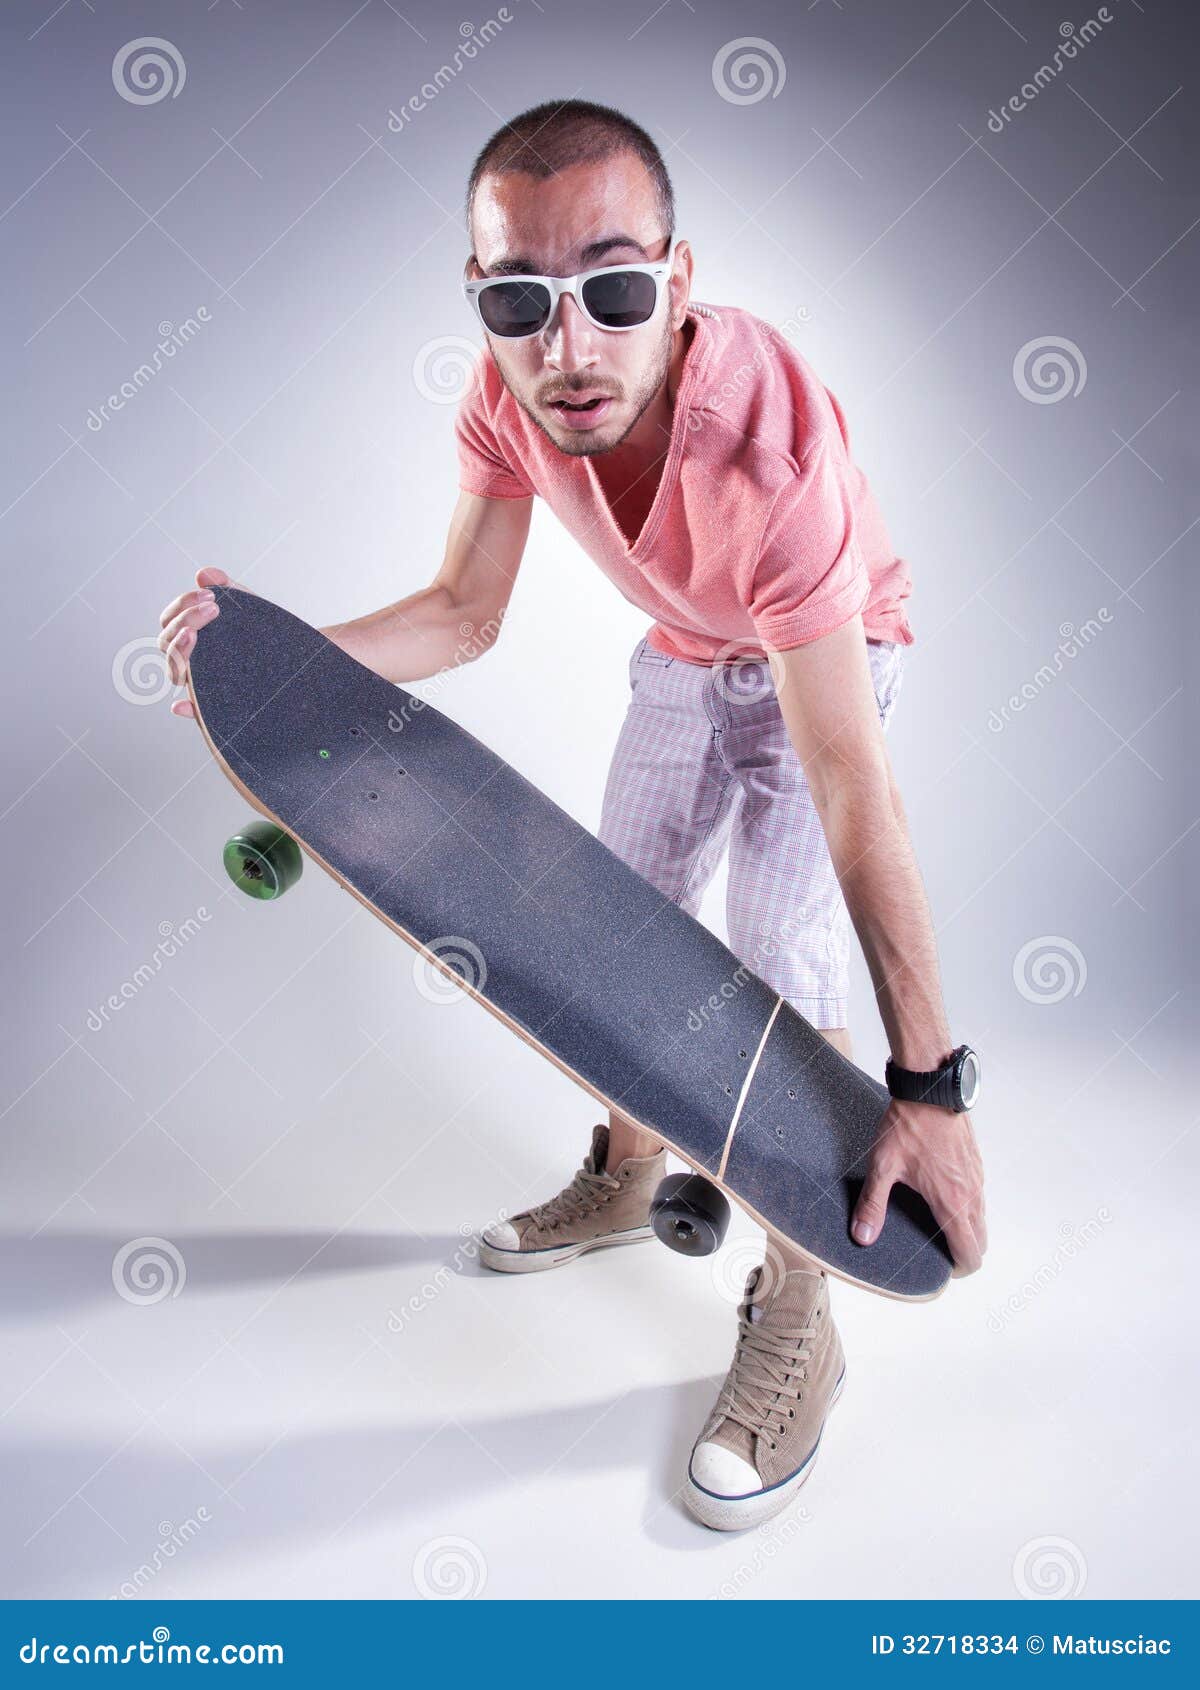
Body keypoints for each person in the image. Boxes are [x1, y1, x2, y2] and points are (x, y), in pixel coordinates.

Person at [158, 98, 986, 1533]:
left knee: (777, 961)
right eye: (516, 300)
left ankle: (800, 1310)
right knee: (617, 922)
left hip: (825, 654)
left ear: (674, 283)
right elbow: (464, 615)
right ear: (477, 301)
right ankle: (626, 1170)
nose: (566, 346)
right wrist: (271, 662)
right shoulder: (504, 395)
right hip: (683, 648)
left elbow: (851, 779)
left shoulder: (770, 453)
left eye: (610, 290)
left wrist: (931, 1089)